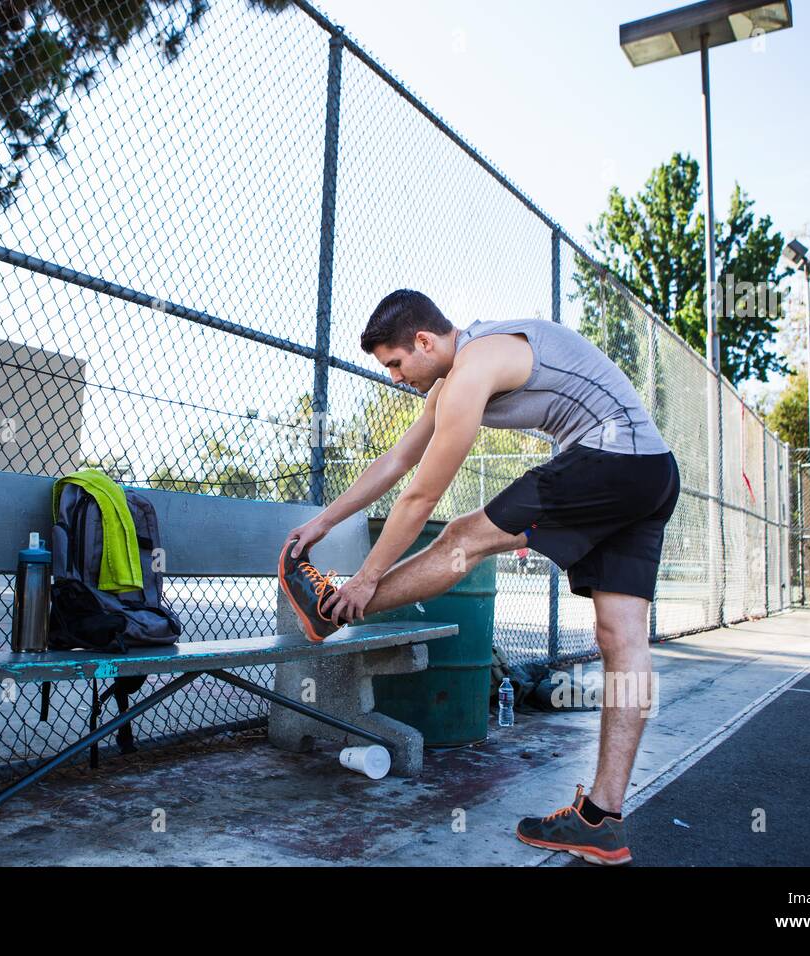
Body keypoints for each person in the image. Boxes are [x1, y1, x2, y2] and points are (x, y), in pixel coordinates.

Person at [277, 289, 680, 865]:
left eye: (395, 363)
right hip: (650, 473)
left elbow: (420, 495)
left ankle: (333, 610)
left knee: (461, 538)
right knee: (622, 639)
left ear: (424, 341)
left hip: (609, 457)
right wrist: (323, 520)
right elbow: (396, 462)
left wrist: (364, 580)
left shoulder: (474, 365)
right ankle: (604, 818)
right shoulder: (450, 379)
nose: (394, 377)